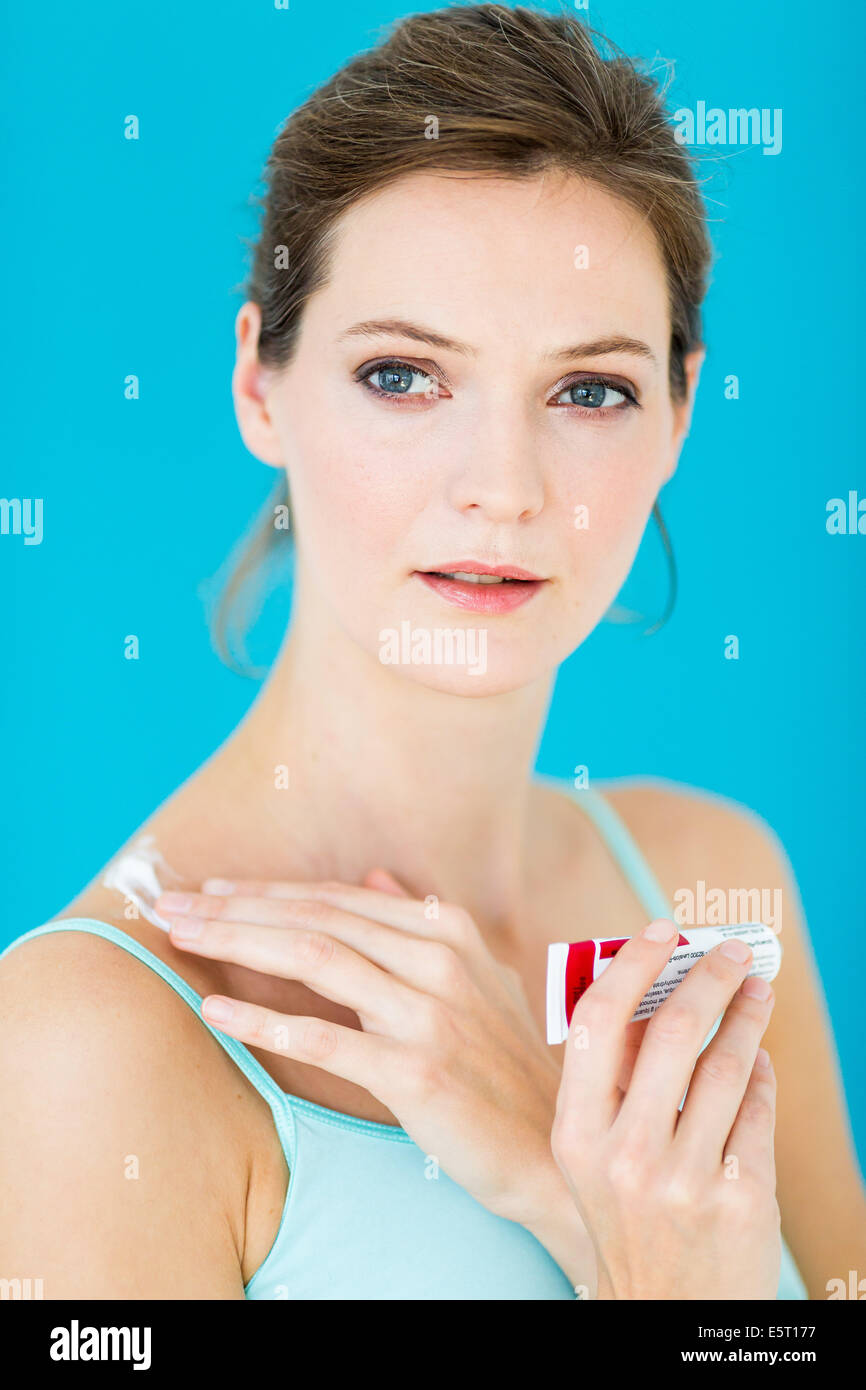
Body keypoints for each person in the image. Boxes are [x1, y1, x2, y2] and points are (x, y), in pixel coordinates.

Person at [1, 3, 863, 1300]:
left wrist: (572, 1194)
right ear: (258, 381)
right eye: (404, 375)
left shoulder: (708, 894)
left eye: (589, 390)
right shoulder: (88, 1046)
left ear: (679, 407)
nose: (501, 488)